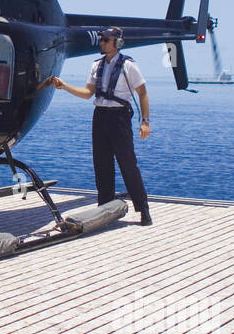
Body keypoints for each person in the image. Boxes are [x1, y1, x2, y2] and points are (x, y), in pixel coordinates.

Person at [45, 26, 153, 225]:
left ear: (117, 43)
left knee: (128, 165)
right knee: (102, 165)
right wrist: (64, 85)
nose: (101, 42)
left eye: (105, 39)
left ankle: (143, 209)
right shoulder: (97, 66)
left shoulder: (129, 66)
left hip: (119, 118)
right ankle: (105, 208)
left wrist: (145, 121)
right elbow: (88, 93)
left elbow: (143, 93)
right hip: (100, 117)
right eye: (101, 39)